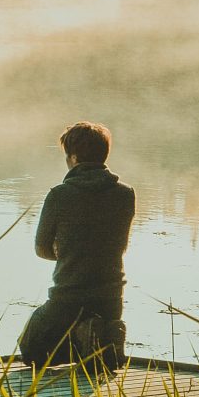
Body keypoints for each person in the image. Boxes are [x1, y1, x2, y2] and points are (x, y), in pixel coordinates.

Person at [18, 121, 135, 369]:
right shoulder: (125, 195)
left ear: (72, 158)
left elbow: (41, 248)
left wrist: (66, 252)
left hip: (68, 299)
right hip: (111, 300)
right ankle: (97, 338)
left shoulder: (59, 195)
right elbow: (119, 245)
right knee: (92, 335)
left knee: (31, 350)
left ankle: (83, 339)